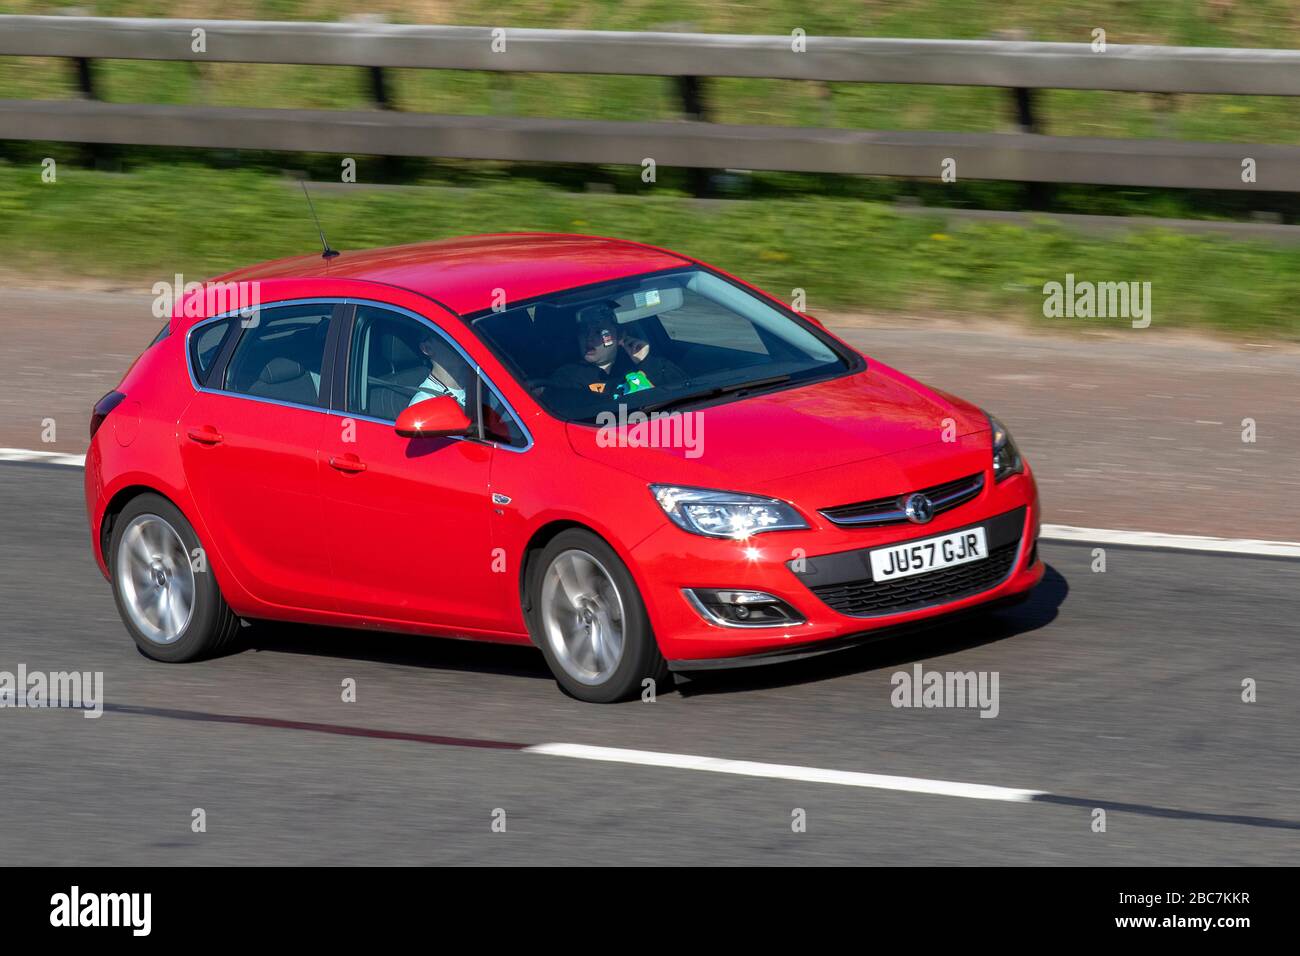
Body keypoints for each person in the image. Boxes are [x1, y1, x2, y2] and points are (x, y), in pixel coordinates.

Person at [551, 302, 685, 399]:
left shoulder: (646, 365)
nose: (589, 339)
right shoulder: (568, 376)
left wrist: (645, 361)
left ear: (620, 336)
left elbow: (681, 389)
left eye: (599, 332)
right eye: (584, 331)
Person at [408, 336, 468, 409]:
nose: (463, 343)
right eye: (450, 338)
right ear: (427, 348)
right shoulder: (424, 404)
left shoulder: (479, 381)